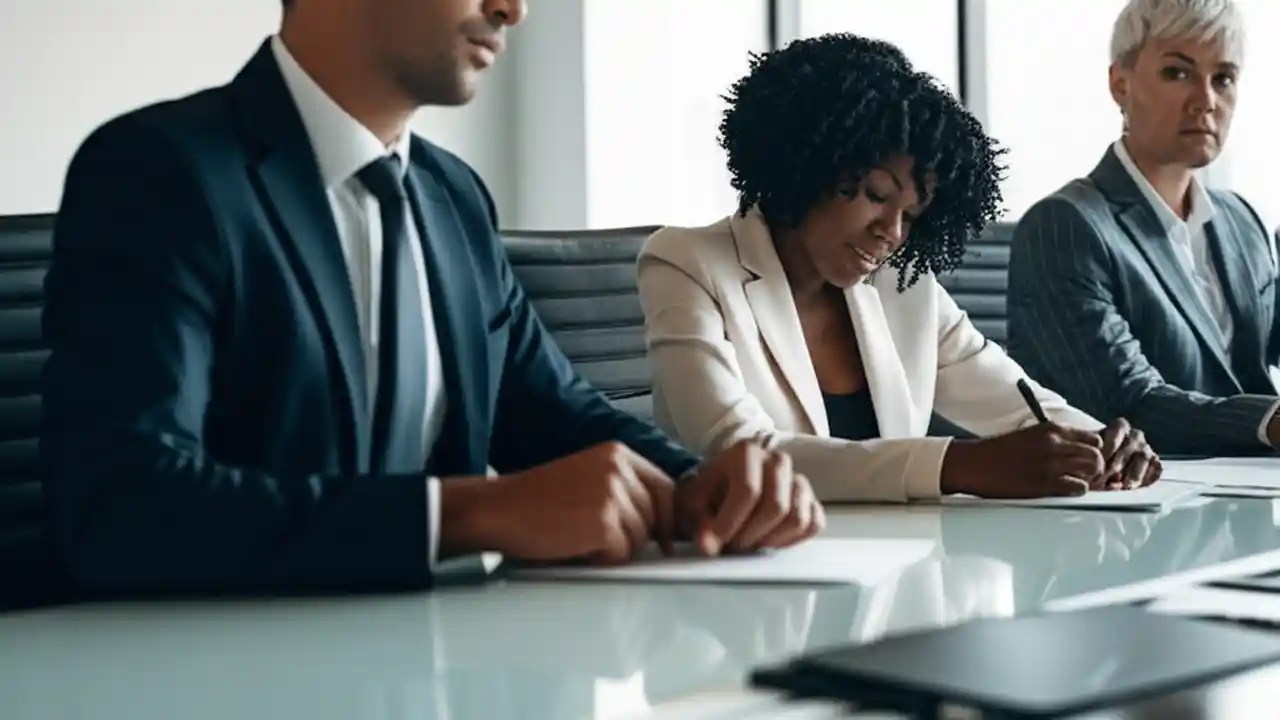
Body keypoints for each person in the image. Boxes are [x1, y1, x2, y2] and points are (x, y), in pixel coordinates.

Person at [41, 0, 822, 594]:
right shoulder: (162, 172)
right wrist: (464, 515)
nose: (515, 8)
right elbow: (123, 502)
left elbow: (552, 415)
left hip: (431, 662)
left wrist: (704, 486)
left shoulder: (452, 198)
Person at [638, 34, 1161, 504]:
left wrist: (1103, 444)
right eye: (874, 196)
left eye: (911, 214)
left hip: (894, 574)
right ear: (806, 167)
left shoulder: (903, 290)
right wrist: (956, 464)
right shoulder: (688, 264)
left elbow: (1021, 405)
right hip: (750, 582)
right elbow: (741, 452)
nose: (891, 232)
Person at [1007, 0, 1280, 456]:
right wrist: (1269, 423)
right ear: (1120, 83)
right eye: (1178, 73)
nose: (1206, 100)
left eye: (1223, 78)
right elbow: (1125, 403)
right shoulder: (1066, 226)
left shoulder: (1242, 221)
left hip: (1250, 499)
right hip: (1135, 511)